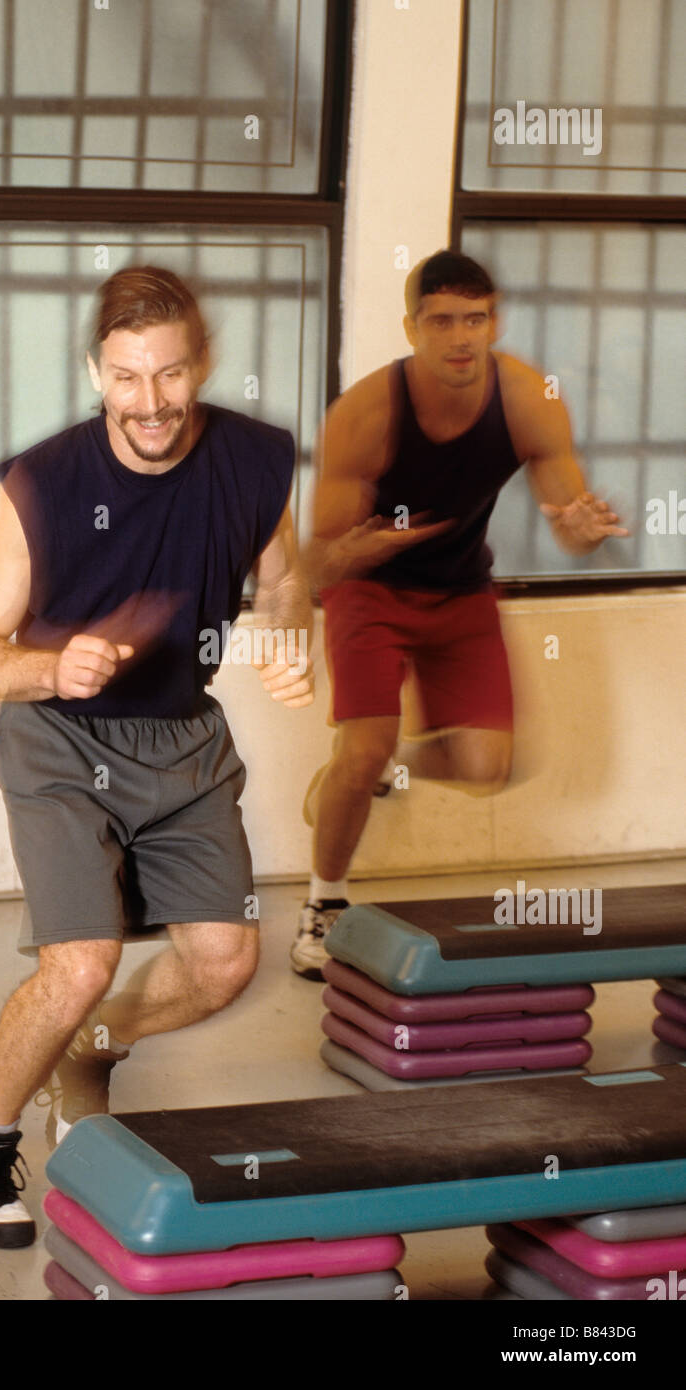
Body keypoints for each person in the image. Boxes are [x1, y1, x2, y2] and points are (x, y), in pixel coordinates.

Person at [0, 266, 313, 1247]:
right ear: (97, 372)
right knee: (79, 961)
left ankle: (94, 1051)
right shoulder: (42, 482)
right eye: (126, 378)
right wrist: (50, 665)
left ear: (200, 365)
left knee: (227, 959)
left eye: (169, 374)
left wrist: (286, 636)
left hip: (184, 735)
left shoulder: (254, 460)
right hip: (57, 734)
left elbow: (282, 581)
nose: (149, 402)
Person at [290, 249, 628, 980]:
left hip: (462, 590)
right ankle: (323, 906)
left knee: (488, 767)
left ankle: (385, 769)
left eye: (474, 318)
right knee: (361, 745)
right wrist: (364, 546)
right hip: (372, 591)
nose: (461, 337)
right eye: (442, 321)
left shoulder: (530, 398)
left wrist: (582, 526)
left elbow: (564, 514)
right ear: (412, 328)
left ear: (493, 320)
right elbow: (315, 565)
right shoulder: (367, 414)